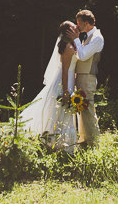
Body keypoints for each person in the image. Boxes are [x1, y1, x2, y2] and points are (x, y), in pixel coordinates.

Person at [20, 21, 78, 152]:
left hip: (68, 79)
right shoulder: (68, 47)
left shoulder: (71, 44)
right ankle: (56, 143)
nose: (76, 29)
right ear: (68, 32)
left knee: (56, 110)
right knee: (60, 109)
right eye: (74, 28)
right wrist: (65, 91)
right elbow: (65, 70)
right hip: (64, 80)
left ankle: (54, 141)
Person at [67, 9, 104, 147]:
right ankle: (84, 140)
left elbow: (83, 56)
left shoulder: (97, 38)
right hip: (81, 76)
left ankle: (94, 144)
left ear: (87, 23)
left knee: (88, 109)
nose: (77, 26)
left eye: (79, 23)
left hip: (88, 78)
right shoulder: (87, 36)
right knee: (81, 109)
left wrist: (75, 38)